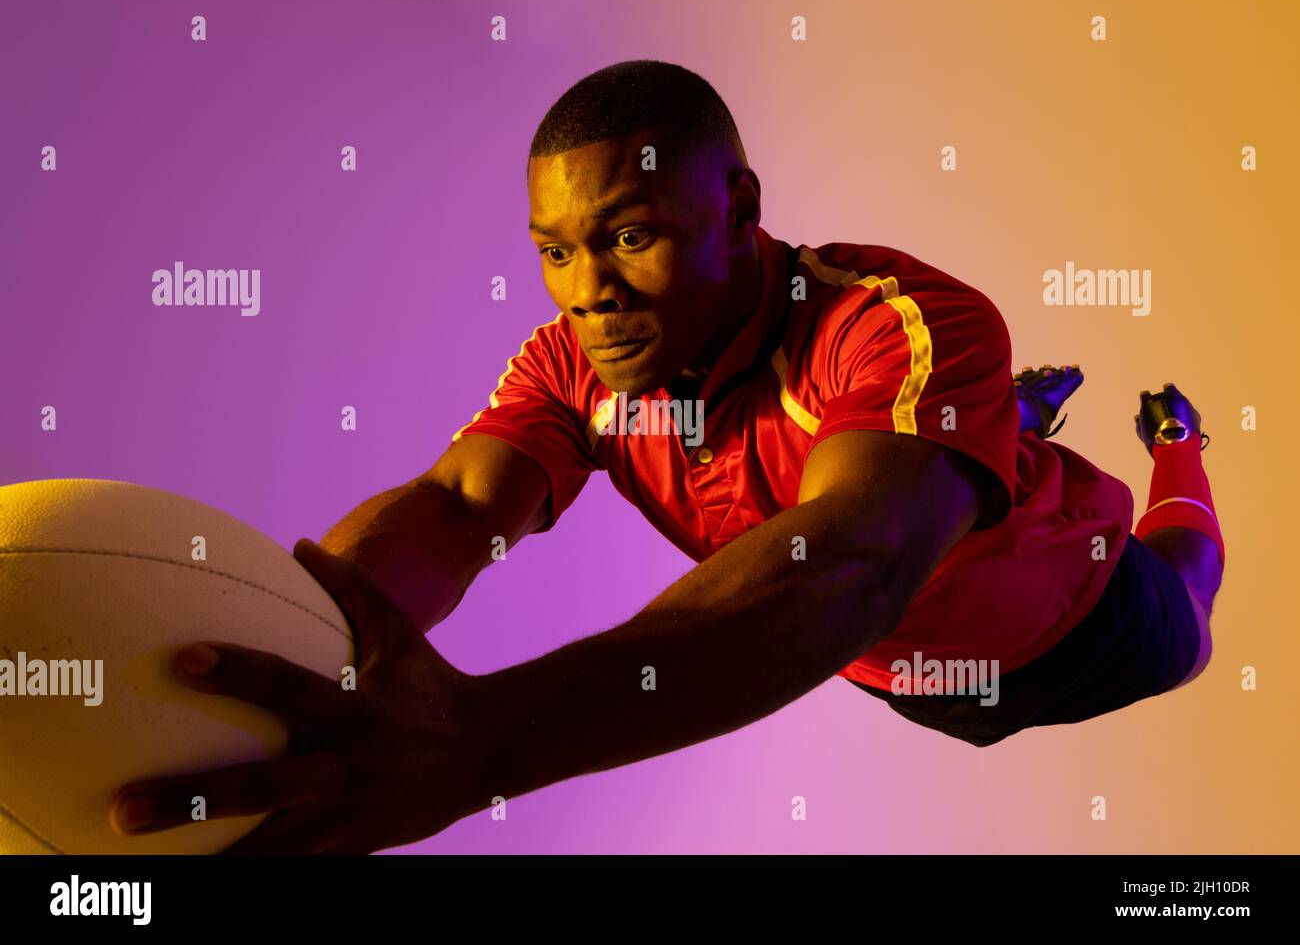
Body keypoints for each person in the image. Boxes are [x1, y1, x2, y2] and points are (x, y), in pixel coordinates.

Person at [108, 60, 1226, 853]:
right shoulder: (572, 364)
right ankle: (997, 428)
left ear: (737, 208)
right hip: (908, 679)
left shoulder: (891, 321)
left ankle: (1167, 446)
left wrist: (475, 742)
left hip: (1084, 616)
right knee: (911, 487)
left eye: (630, 236)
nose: (588, 290)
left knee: (1192, 590)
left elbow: (851, 565)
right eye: (557, 252)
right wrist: (288, 650)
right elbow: (455, 507)